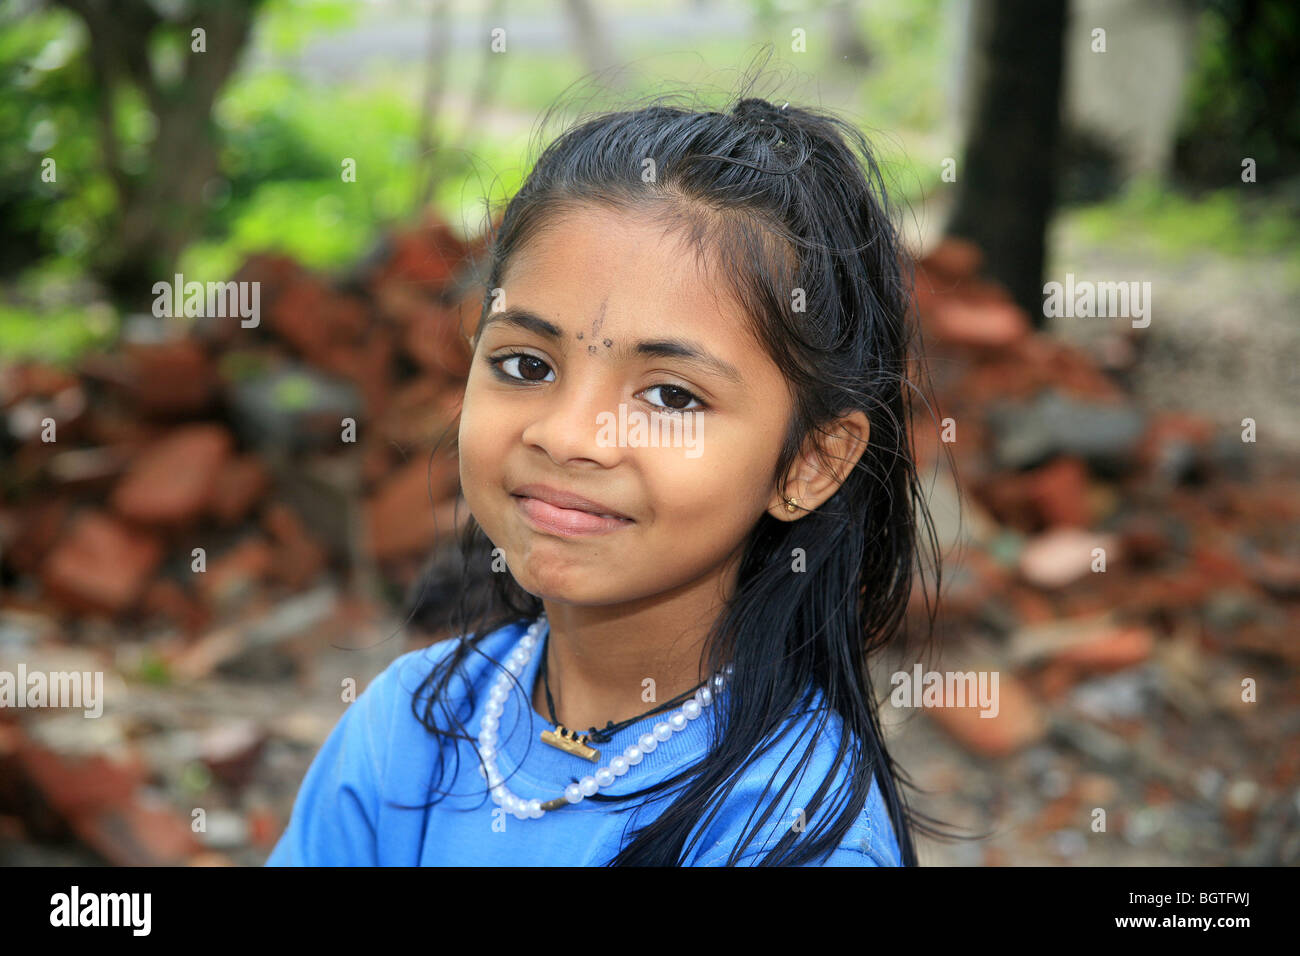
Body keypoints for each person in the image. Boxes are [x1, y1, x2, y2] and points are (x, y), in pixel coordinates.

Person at [267, 72, 944, 867]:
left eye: (669, 395)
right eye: (525, 365)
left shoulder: (787, 835)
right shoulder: (407, 733)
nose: (568, 436)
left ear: (809, 463)